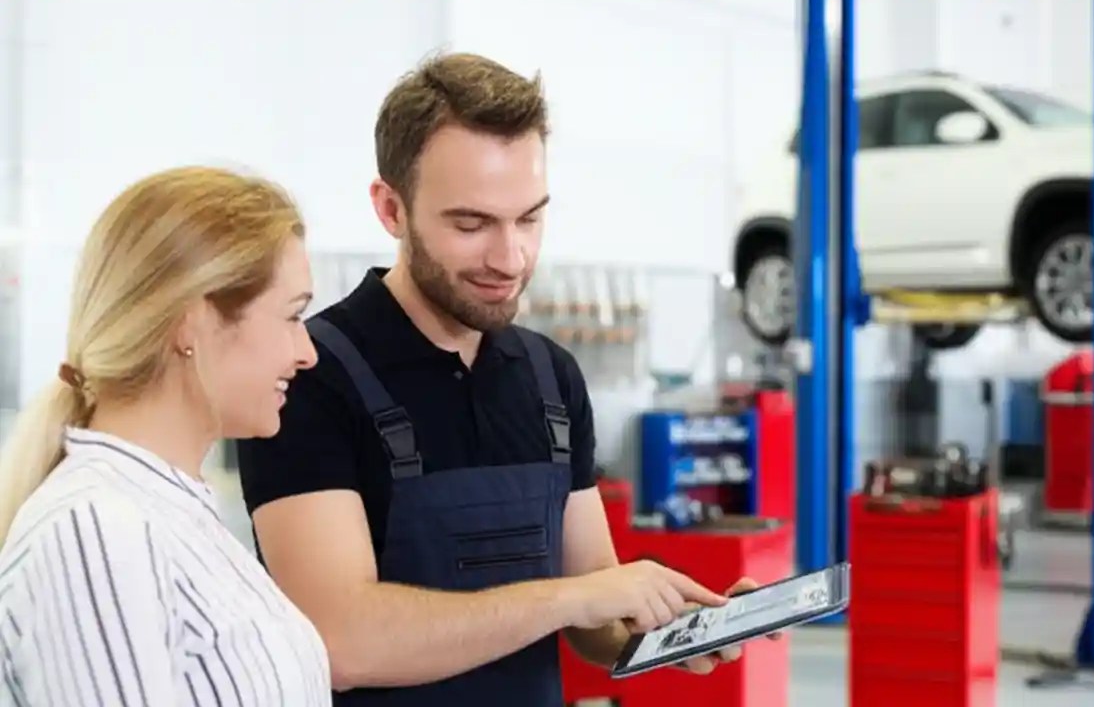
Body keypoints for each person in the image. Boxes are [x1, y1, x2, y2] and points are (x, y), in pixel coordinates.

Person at [235, 52, 774, 706]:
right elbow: (341, 641)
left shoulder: (551, 380)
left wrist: (681, 629)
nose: (509, 256)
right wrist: (571, 596)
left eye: (529, 218)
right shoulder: (310, 377)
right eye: (471, 224)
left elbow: (596, 623)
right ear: (390, 208)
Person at [0, 166, 332, 706]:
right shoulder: (96, 531)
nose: (307, 352)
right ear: (191, 323)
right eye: (293, 316)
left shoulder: (167, 512)